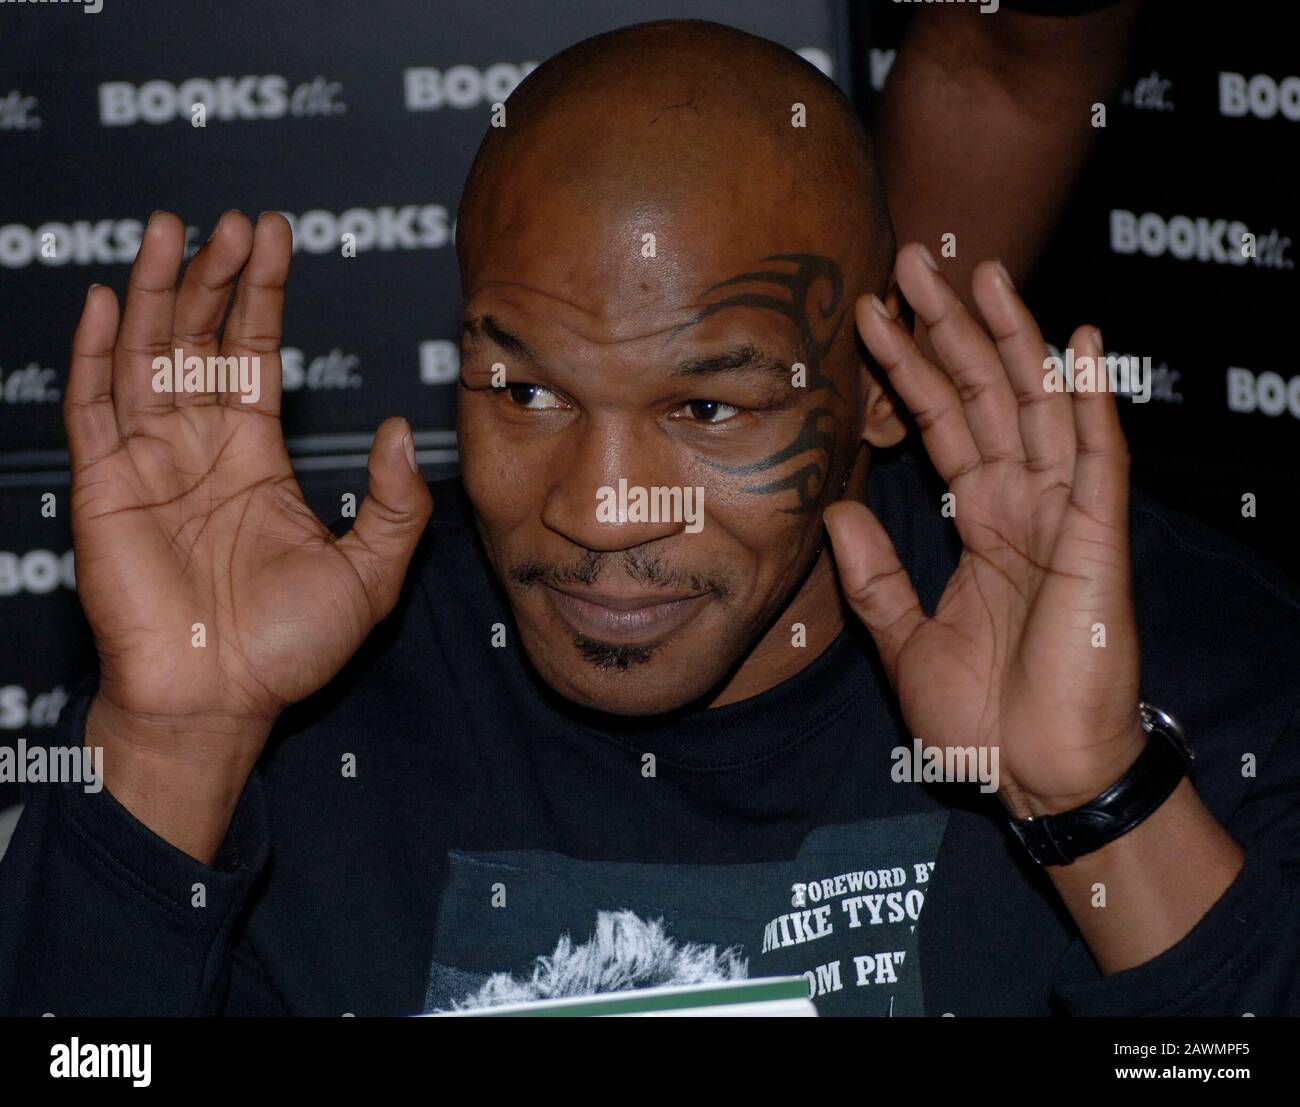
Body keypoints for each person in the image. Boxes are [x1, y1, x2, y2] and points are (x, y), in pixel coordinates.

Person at [3, 18, 1296, 1017]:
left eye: (710, 409)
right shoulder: (280, 705)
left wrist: (1098, 808)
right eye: (528, 391)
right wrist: (168, 756)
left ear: (881, 391)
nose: (600, 511)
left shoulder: (1165, 664)